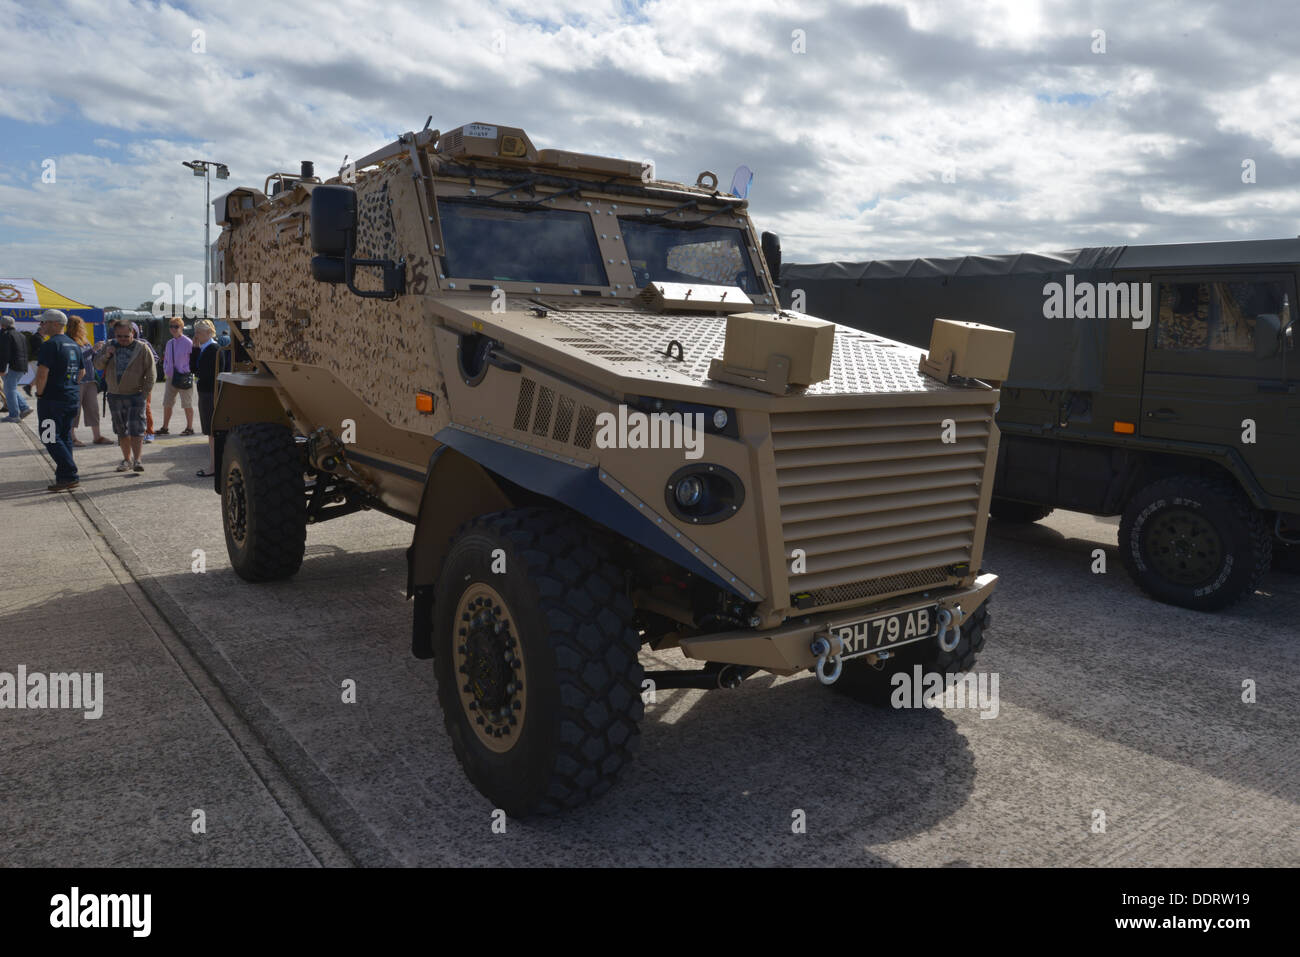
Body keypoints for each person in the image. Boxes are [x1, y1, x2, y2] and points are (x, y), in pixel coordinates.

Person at [93, 319, 156, 473]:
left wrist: (144, 394)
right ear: (115, 334)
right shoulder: (109, 346)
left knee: (137, 430)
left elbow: (151, 373)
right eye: (119, 336)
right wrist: (107, 355)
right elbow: (97, 365)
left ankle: (138, 460)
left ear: (132, 333)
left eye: (126, 336)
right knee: (121, 431)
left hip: (136, 395)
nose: (122, 339)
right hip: (115, 395)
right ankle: (127, 460)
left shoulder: (142, 348)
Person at [31, 309, 83, 492]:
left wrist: (39, 394)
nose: (41, 325)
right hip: (70, 397)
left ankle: (69, 474)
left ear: (54, 324)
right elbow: (81, 373)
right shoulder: (73, 344)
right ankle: (64, 477)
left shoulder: (50, 345)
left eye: (43, 322)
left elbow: (42, 373)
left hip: (52, 399)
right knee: (63, 437)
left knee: (49, 436)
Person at [65, 315, 111, 446]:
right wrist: (93, 349)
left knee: (93, 408)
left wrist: (102, 352)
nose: (83, 328)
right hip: (77, 380)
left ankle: (97, 436)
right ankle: (72, 437)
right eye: (80, 325)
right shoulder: (68, 341)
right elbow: (75, 359)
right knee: (75, 409)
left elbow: (92, 358)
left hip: (90, 380)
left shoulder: (85, 341)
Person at [191, 320, 219, 477]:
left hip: (210, 393)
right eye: (196, 332)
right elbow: (193, 369)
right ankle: (214, 465)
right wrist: (194, 350)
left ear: (209, 332)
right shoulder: (203, 348)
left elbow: (202, 373)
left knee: (212, 432)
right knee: (210, 432)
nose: (196, 335)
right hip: (205, 392)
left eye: (199, 332)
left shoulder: (213, 349)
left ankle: (214, 466)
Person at [158, 317, 195, 435]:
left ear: (182, 327)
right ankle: (165, 427)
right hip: (171, 377)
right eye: (171, 326)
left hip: (184, 377)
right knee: (167, 403)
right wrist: (166, 369)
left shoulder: (188, 342)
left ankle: (189, 428)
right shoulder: (169, 343)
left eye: (176, 326)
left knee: (187, 404)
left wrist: (187, 370)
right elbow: (166, 359)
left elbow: (193, 360)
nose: (173, 329)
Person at [1, 314, 34, 422]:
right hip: (22, 366)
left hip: (13, 366)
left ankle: (14, 415)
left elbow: (5, 353)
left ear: (3, 325)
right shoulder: (21, 335)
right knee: (11, 388)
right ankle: (25, 407)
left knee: (9, 389)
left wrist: (1, 369)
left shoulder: (6, 335)